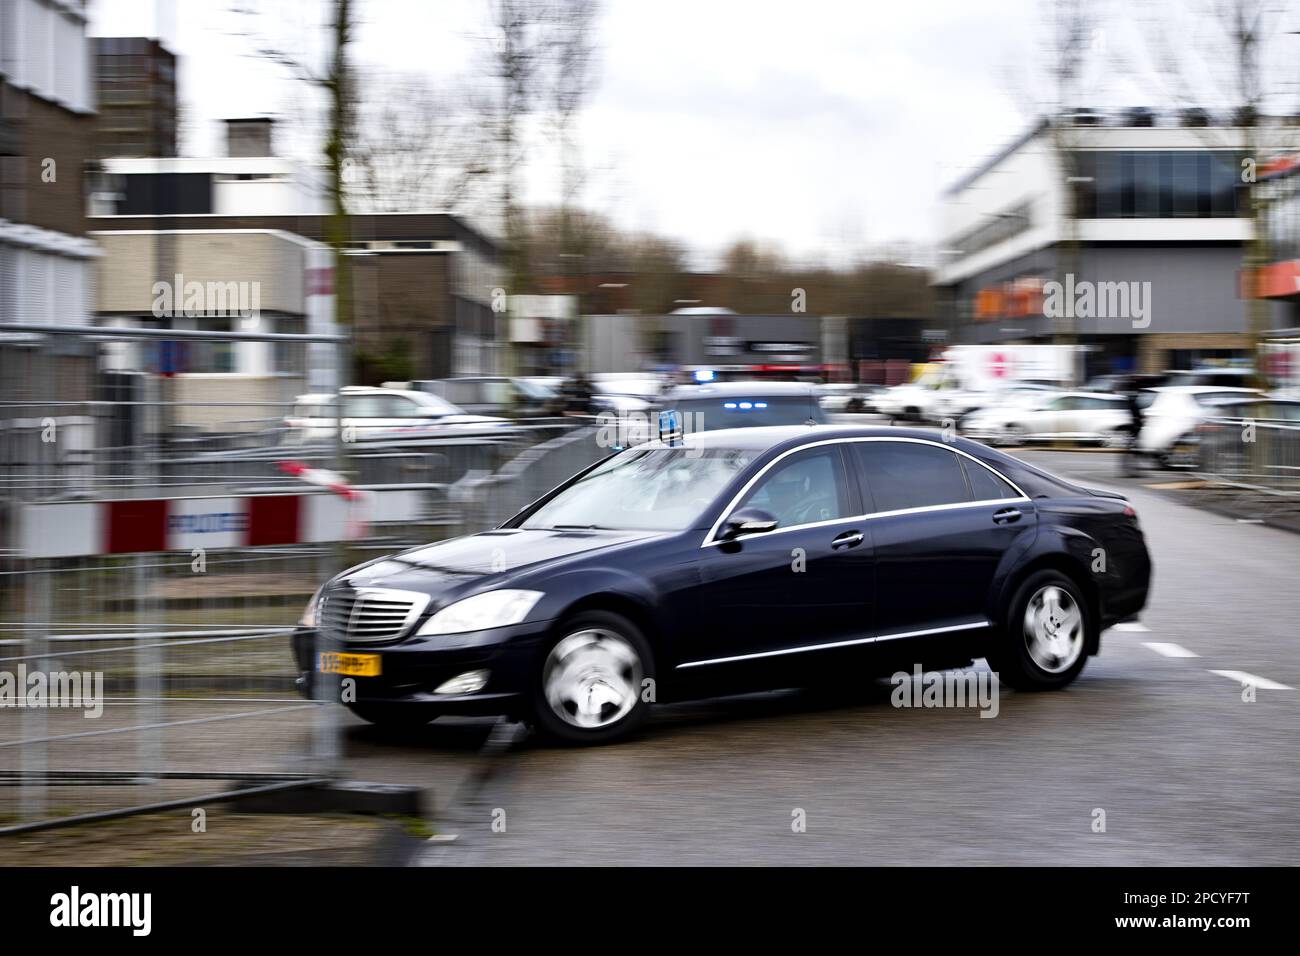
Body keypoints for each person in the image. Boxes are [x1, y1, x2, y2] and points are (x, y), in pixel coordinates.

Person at [1122, 377, 1144, 477]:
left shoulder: (1130, 399)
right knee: (1133, 448)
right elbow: (1136, 414)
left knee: (1132, 448)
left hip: (1133, 427)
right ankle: (1132, 468)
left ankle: (1131, 468)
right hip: (1135, 427)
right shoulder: (1133, 400)